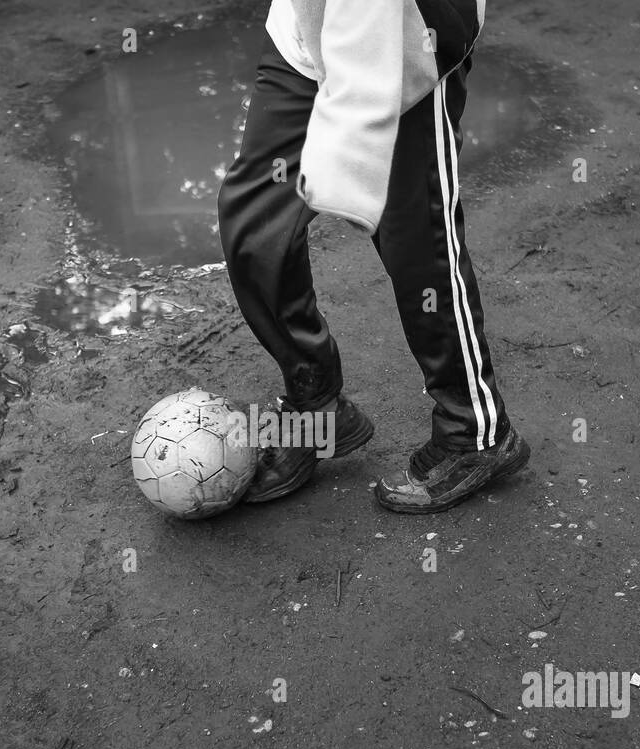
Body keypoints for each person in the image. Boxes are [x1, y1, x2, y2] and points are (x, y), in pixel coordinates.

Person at [217, 0, 530, 514]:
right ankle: (316, 403)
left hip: (406, 47)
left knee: (418, 242)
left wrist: (350, 157)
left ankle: (474, 429)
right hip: (307, 35)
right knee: (254, 220)